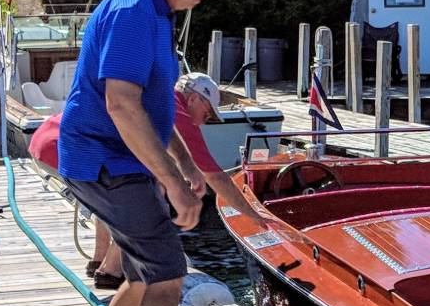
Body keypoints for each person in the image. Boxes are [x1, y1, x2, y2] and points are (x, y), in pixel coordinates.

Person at [58, 0, 240, 306]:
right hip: (106, 164)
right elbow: (120, 103)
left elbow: (156, 110)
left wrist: (181, 165)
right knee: (166, 275)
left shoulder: (156, 12)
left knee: (143, 273)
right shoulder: (136, 10)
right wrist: (175, 182)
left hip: (113, 161)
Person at [28, 72, 267, 290]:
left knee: (125, 191)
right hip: (70, 153)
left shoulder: (158, 97)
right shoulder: (178, 111)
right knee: (146, 203)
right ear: (194, 99)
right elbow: (215, 176)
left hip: (47, 143)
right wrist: (255, 216)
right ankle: (110, 272)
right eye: (207, 114)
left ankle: (100, 260)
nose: (203, 122)